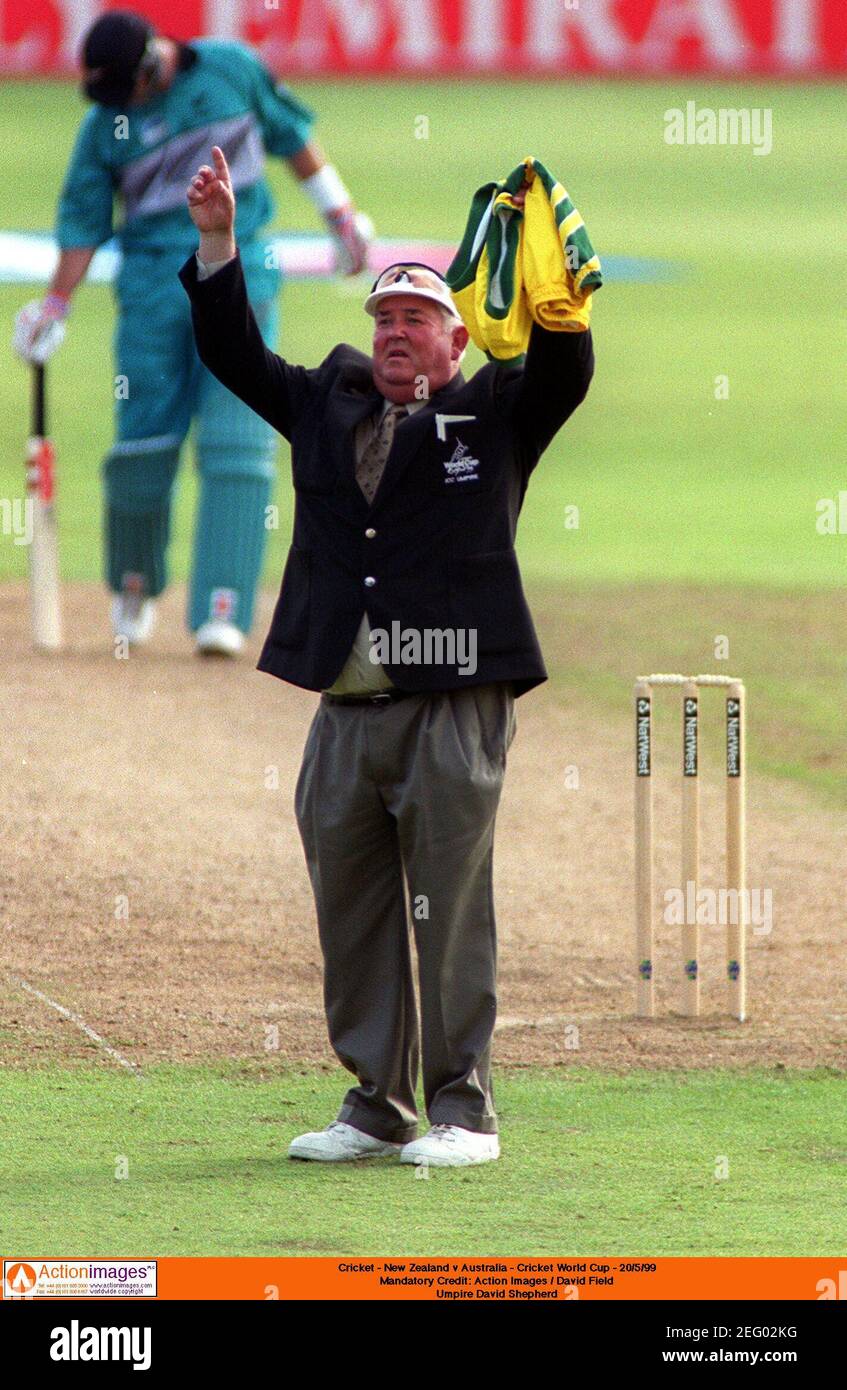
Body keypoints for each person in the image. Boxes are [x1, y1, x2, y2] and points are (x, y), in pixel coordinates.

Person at [180, 147, 595, 1166]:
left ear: (458, 338)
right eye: (382, 318)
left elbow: (566, 373)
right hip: (345, 704)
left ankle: (463, 1108)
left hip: (454, 698)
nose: (394, 332)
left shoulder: (494, 413)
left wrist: (560, 306)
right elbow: (235, 355)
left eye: (415, 318)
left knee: (448, 904)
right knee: (352, 899)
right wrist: (218, 240)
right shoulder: (328, 401)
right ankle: (377, 1103)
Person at [12, 9, 371, 655]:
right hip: (151, 283)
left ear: (153, 63)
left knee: (237, 437)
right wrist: (56, 305)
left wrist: (340, 217)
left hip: (242, 266)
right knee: (144, 440)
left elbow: (291, 136)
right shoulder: (105, 127)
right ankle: (134, 585)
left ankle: (221, 609)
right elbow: (84, 221)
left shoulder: (231, 70)